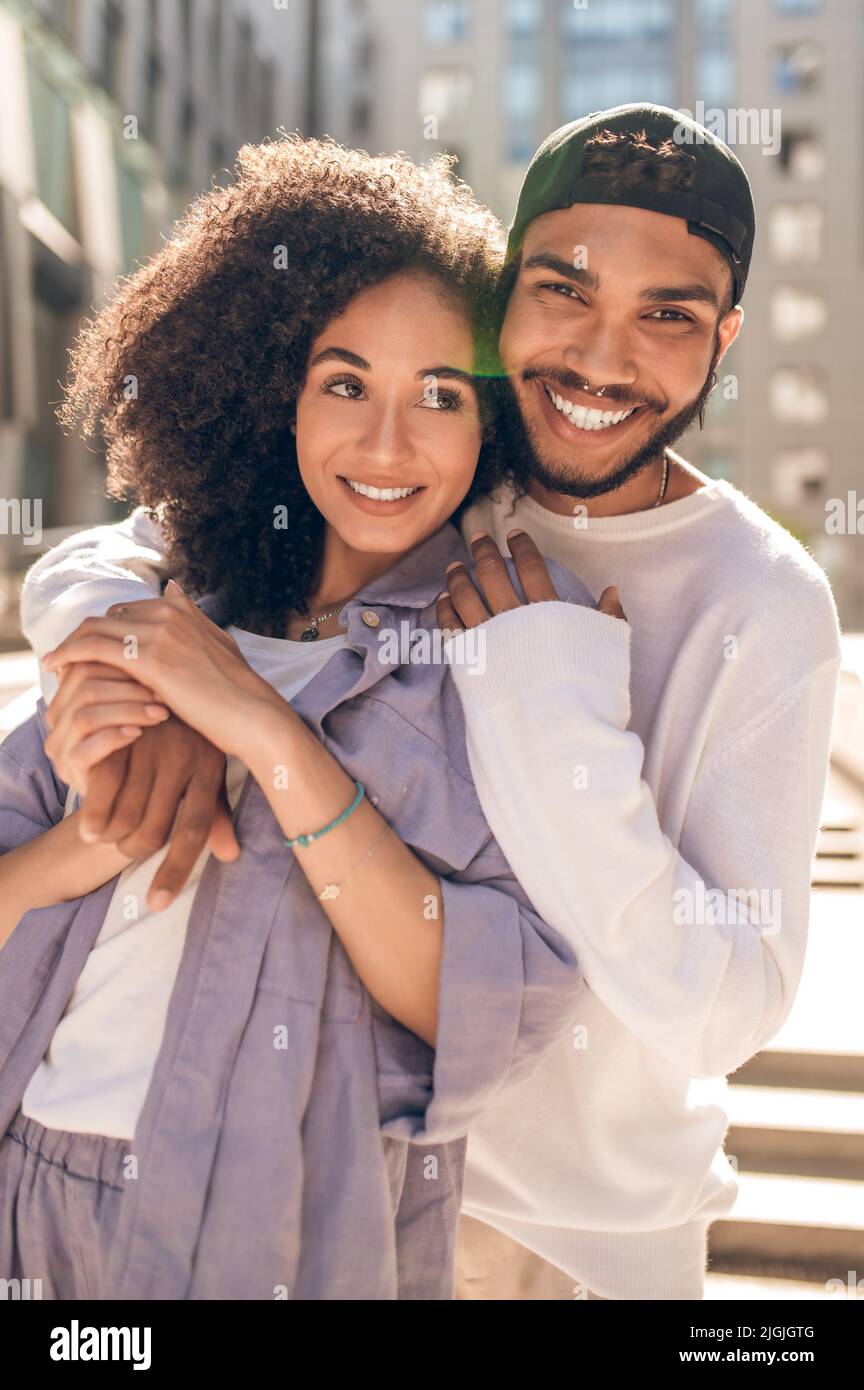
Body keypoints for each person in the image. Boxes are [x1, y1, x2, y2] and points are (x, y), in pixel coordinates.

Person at [19, 106, 842, 1301]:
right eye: (565, 290)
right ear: (507, 301)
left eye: (667, 313)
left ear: (725, 333)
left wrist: (545, 715)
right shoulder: (446, 467)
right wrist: (160, 683)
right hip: (332, 1169)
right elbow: (126, 551)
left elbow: (719, 1014)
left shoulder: (762, 598)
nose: (605, 358)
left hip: (555, 1234)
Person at [0, 137, 590, 1301]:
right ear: (275, 390)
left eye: (440, 394)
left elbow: (484, 1004)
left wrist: (265, 736)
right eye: (344, 383)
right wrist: (93, 839)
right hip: (35, 1188)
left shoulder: (494, 656)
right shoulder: (161, 616)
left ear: (494, 423)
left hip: (285, 1235)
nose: (386, 444)